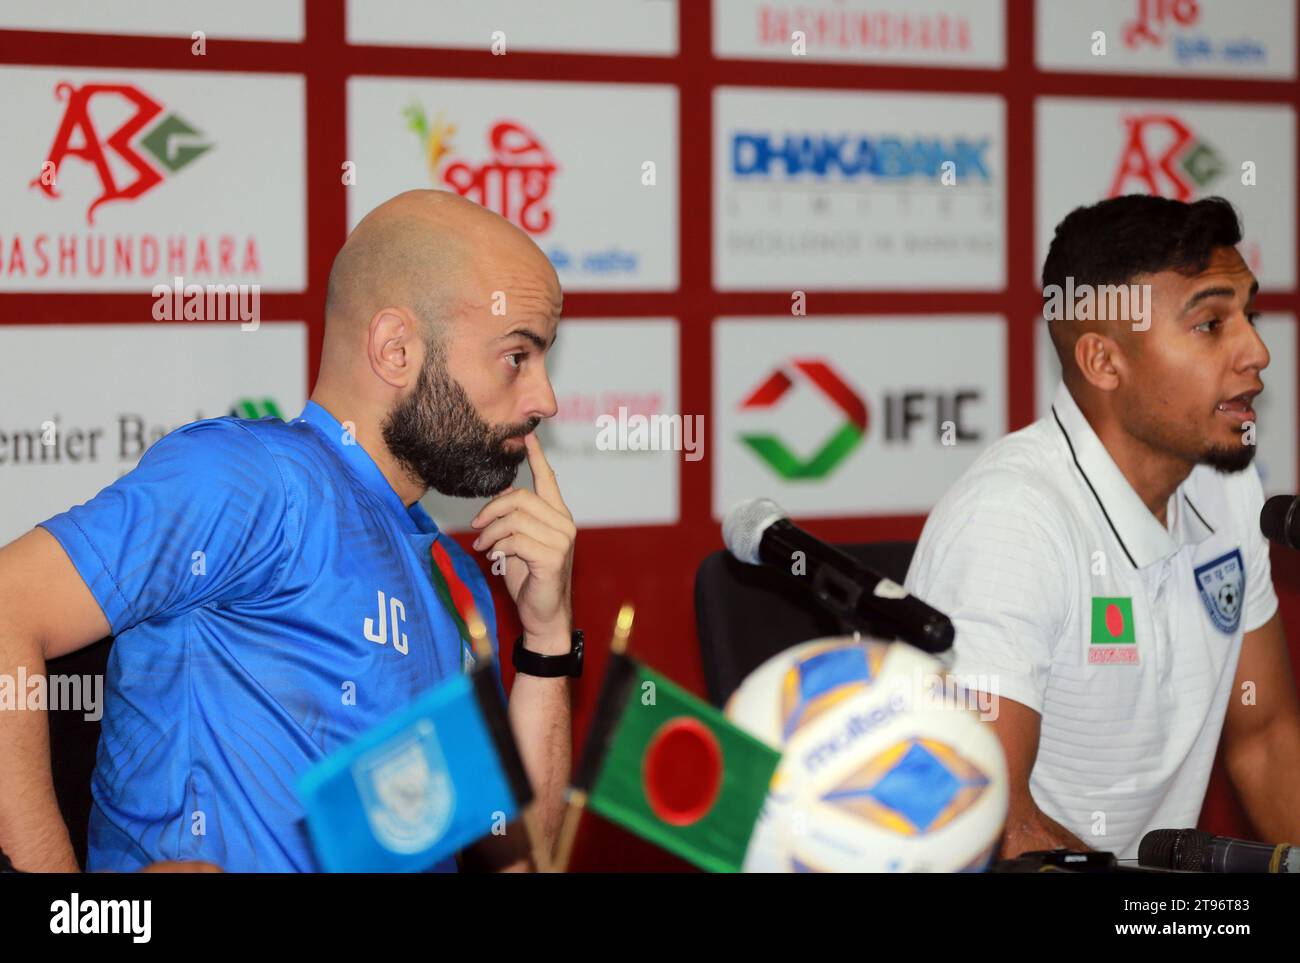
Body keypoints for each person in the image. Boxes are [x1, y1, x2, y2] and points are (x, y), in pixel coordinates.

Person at [0, 190, 577, 872]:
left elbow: (521, 852)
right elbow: (8, 607)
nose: (545, 399)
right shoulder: (251, 480)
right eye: (518, 356)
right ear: (396, 350)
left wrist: (544, 638)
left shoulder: (453, 579)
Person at [906, 195, 1300, 859]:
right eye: (1210, 325)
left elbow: (1266, 737)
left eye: (1249, 315)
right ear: (1103, 362)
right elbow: (997, 824)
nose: (1256, 350)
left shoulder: (1228, 489)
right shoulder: (1011, 522)